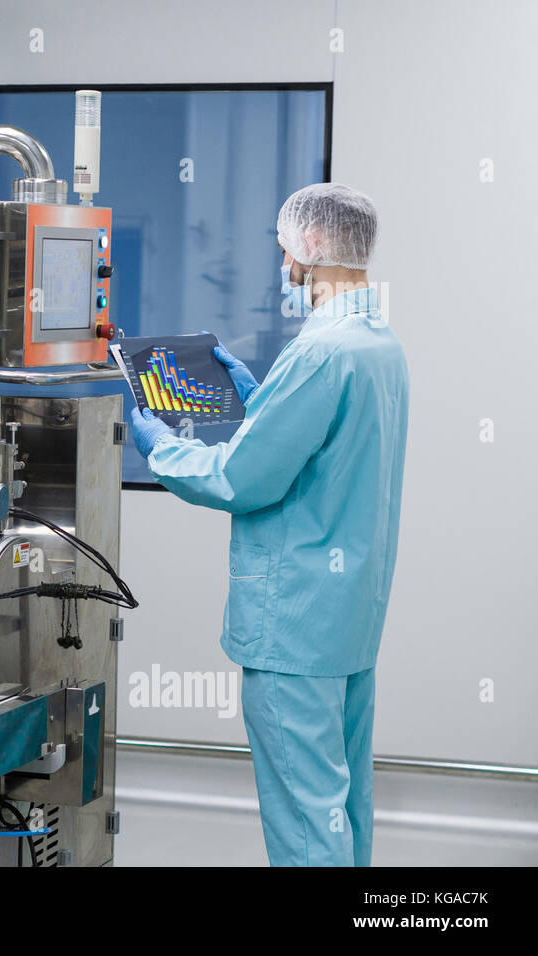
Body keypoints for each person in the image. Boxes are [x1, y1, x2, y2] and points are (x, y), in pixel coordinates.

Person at [129, 183, 409, 866]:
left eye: (285, 251)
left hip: (295, 628)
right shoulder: (378, 344)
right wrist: (263, 403)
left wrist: (162, 447)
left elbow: (243, 479)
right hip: (346, 620)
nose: (283, 267)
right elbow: (326, 452)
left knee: (308, 822)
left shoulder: (319, 354)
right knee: (343, 807)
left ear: (311, 247)